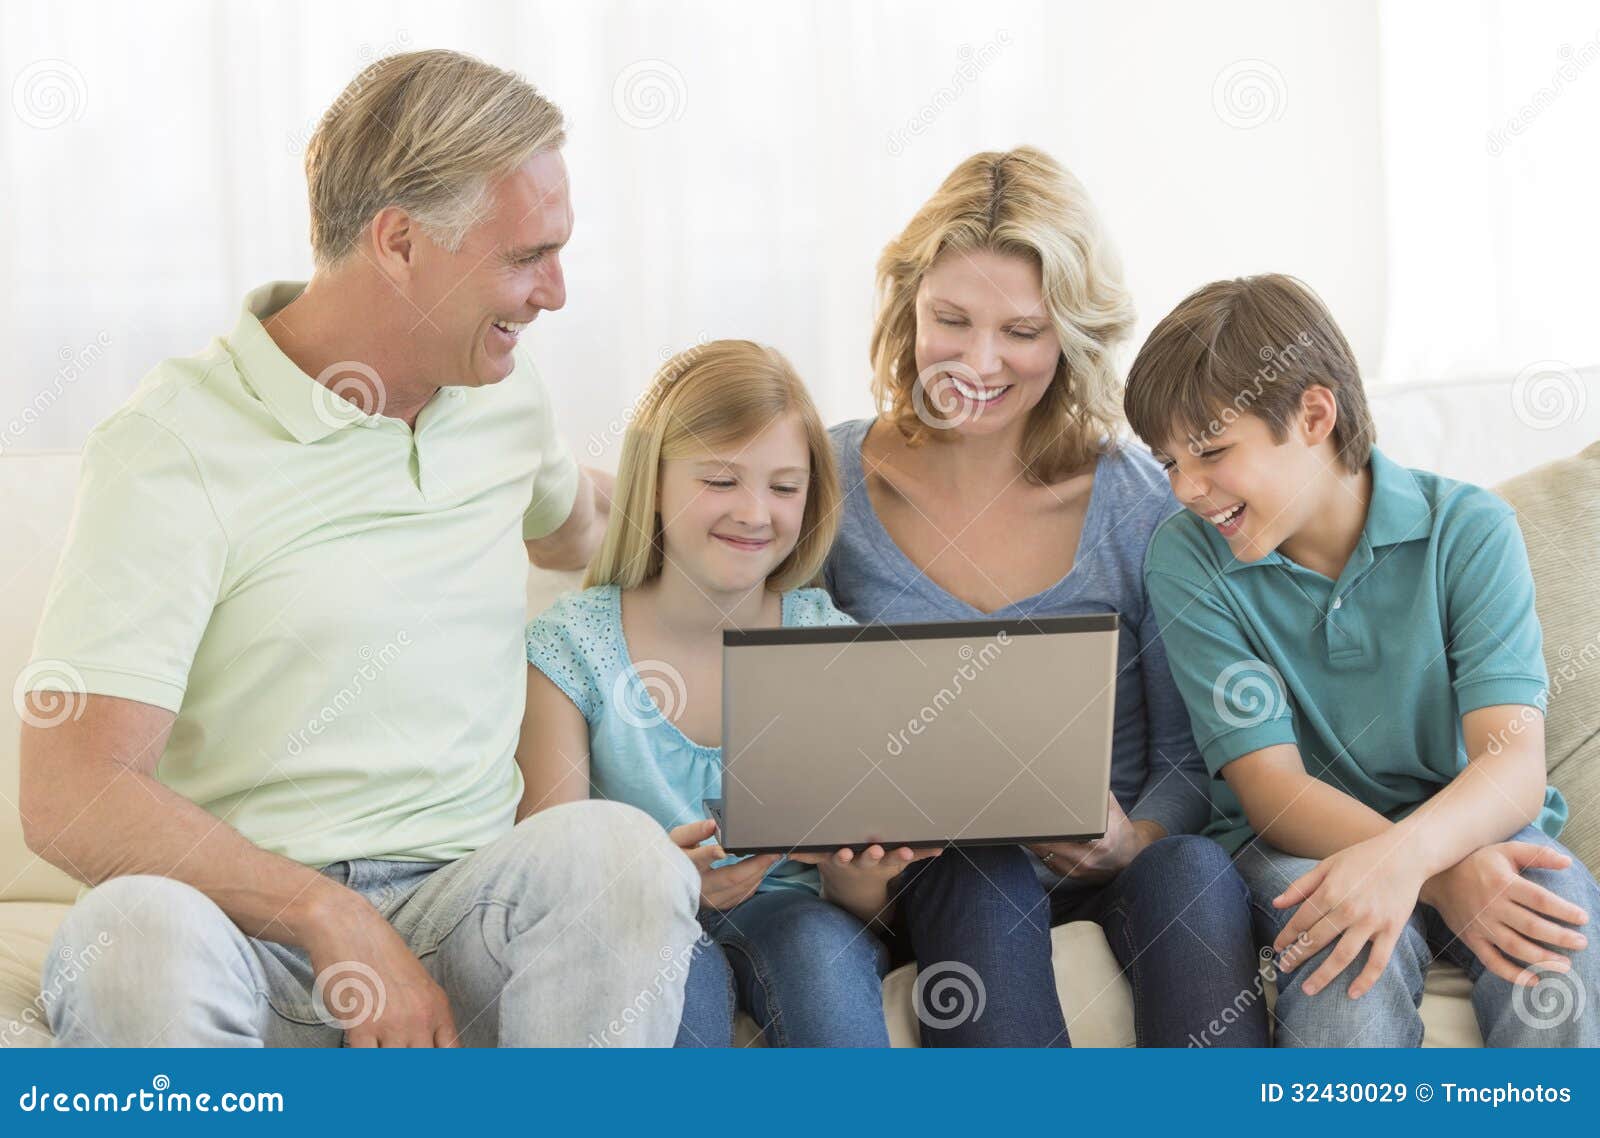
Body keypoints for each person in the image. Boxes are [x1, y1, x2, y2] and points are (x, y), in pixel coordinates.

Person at [19, 49, 699, 1048]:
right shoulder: (172, 445)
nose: (554, 292)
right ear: (397, 242)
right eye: (525, 256)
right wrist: (324, 914)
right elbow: (70, 793)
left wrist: (776, 506)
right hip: (240, 938)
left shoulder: (500, 397)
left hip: (462, 921)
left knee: (622, 858)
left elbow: (587, 526)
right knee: (131, 931)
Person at [824, 147, 1265, 1047]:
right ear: (907, 305)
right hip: (934, 879)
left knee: (1191, 872)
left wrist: (1131, 839)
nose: (978, 362)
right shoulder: (828, 480)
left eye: (1021, 332)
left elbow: (1189, 755)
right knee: (982, 873)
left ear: (1069, 335)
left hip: (1116, 865)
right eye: (951, 319)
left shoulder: (1139, 500)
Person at [1126, 272, 1600, 1046]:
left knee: (1556, 932)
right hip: (1299, 843)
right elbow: (1271, 789)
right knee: (1342, 961)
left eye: (1210, 451)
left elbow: (1511, 769)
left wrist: (1417, 856)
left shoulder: (1470, 532)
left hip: (1469, 825)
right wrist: (1438, 881)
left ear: (1315, 413)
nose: (1185, 487)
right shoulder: (1187, 560)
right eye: (1167, 461)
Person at [520, 340, 940, 1046]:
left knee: (816, 947)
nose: (755, 513)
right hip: (638, 923)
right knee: (681, 972)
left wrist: (863, 871)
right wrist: (667, 885)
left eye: (784, 488)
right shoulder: (572, 646)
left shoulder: (827, 640)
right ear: (653, 484)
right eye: (720, 481)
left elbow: (860, 909)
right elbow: (549, 875)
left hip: (797, 921)